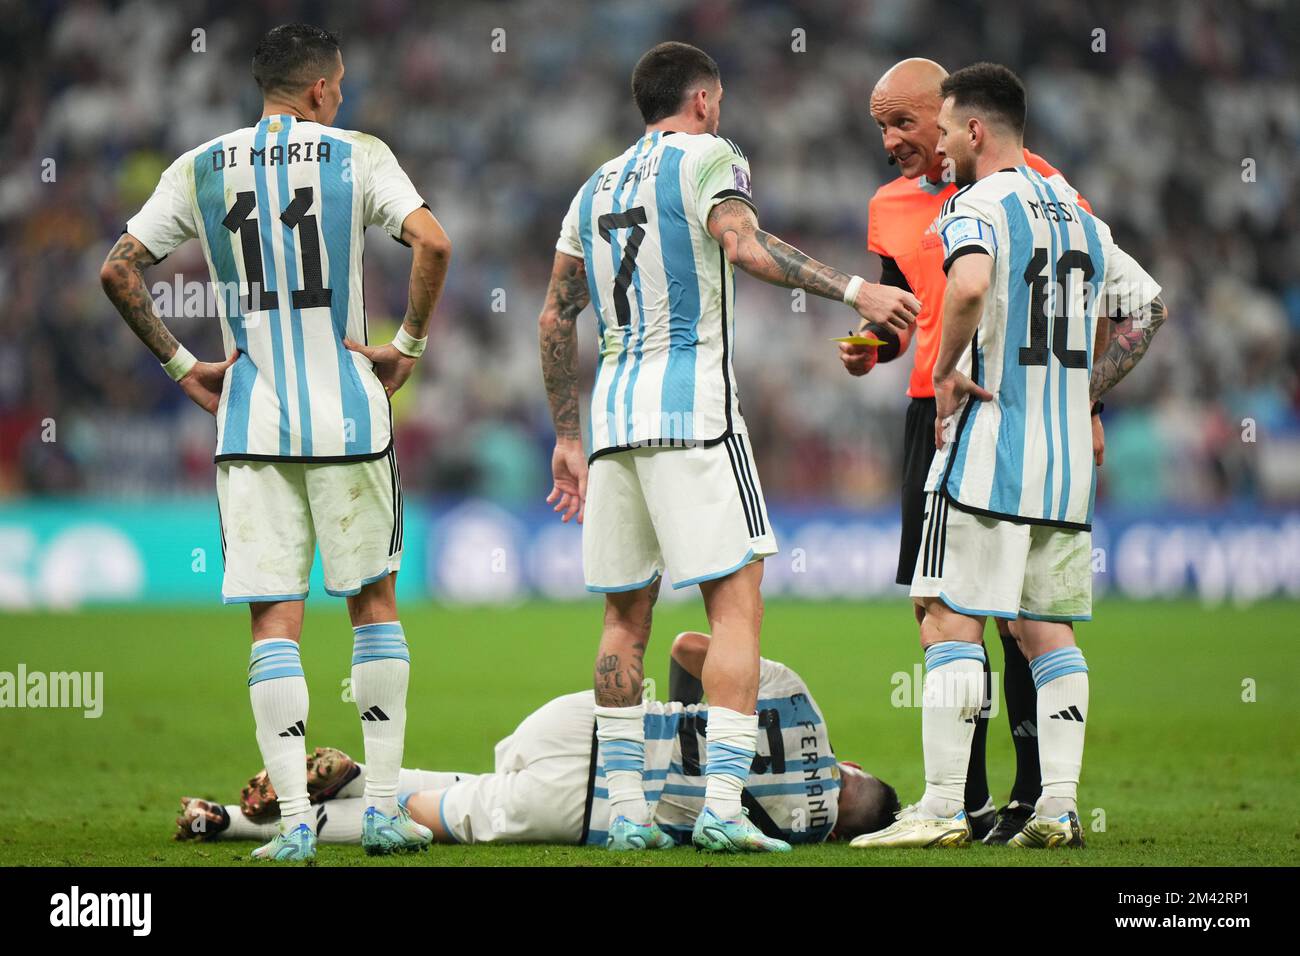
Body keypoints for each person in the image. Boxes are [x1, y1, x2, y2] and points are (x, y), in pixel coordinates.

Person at [537, 41, 919, 853]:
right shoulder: (711, 155)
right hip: (694, 414)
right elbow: (743, 246)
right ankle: (719, 805)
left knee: (623, 619)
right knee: (736, 605)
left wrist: (568, 435)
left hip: (612, 424)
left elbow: (551, 318)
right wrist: (858, 289)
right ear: (704, 101)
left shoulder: (593, 186)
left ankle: (630, 812)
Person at [100, 23, 452, 862]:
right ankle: (377, 814)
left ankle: (295, 822)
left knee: (275, 621)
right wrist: (408, 345)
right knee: (372, 605)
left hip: (250, 425)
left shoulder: (200, 165)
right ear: (324, 90)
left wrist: (184, 365)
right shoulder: (358, 154)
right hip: (350, 422)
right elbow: (434, 242)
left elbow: (118, 269)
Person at [851, 63, 1166, 849]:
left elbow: (965, 291)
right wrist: (1082, 392)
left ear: (969, 129)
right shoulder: (1076, 215)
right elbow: (1148, 306)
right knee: (1045, 626)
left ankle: (943, 806)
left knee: (945, 612)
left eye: (936, 128)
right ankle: (1057, 806)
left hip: (985, 437)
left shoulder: (976, 202)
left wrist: (951, 364)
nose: (925, 145)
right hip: (1059, 461)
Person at [175, 632, 901, 848]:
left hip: (589, 720)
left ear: (850, 765)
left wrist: (697, 722)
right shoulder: (802, 834)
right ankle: (229, 824)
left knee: (472, 783)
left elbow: (685, 646)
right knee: (429, 819)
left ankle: (355, 773)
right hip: (585, 807)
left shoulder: (797, 697)